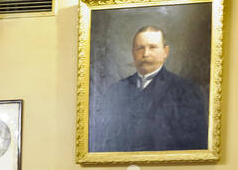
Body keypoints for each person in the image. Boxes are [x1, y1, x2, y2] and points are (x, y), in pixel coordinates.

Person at [88, 25, 208, 153]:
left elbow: (195, 144)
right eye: (140, 48)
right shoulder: (115, 90)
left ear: (165, 52)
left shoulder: (186, 90)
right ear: (133, 52)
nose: (145, 54)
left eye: (152, 47)